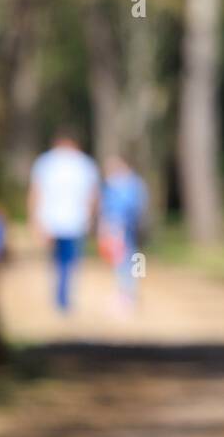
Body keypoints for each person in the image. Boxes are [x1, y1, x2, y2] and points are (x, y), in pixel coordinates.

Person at [28, 130, 100, 313]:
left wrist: (35, 220)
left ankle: (60, 296)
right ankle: (64, 297)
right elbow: (93, 197)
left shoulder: (45, 162)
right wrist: (92, 219)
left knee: (57, 261)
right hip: (76, 221)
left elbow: (35, 193)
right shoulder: (85, 164)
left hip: (52, 221)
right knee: (70, 262)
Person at [99, 156, 147, 311]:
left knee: (130, 262)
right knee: (121, 262)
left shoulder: (131, 185)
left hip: (126, 229)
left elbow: (132, 208)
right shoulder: (115, 184)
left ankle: (129, 296)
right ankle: (124, 294)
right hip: (117, 230)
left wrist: (118, 223)